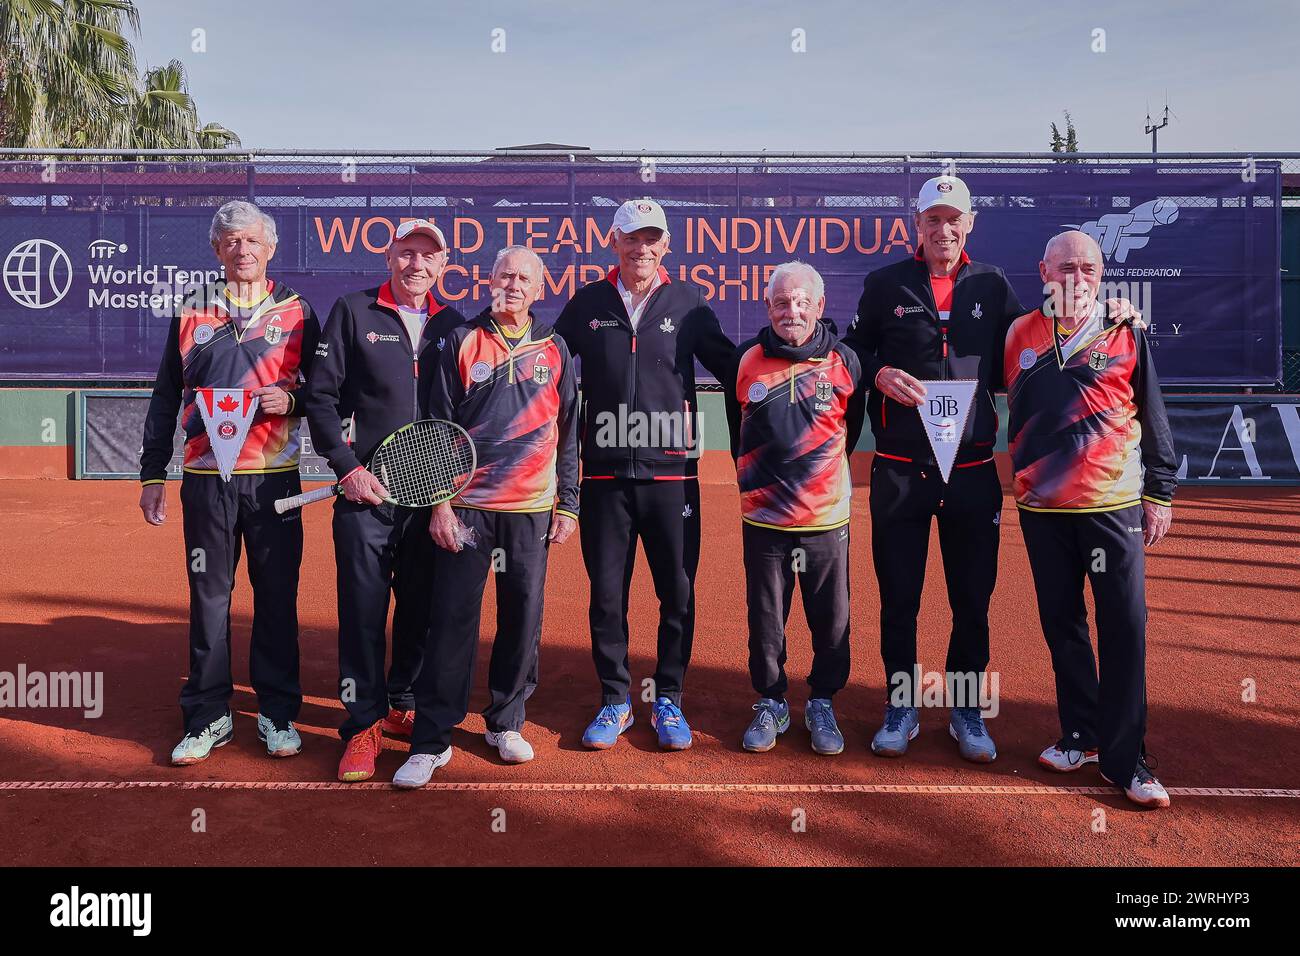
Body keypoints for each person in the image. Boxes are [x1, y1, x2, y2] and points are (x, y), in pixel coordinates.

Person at [843, 174, 1143, 763]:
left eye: (954, 220)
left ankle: (964, 708)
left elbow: (1050, 329)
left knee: (971, 597)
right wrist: (876, 369)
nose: (943, 230)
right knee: (899, 595)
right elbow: (854, 349)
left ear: (969, 225)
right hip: (902, 468)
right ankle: (901, 705)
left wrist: (1110, 310)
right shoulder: (884, 285)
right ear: (917, 225)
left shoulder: (992, 284)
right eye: (932, 219)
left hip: (974, 470)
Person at [139, 200, 319, 766]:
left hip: (274, 483)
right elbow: (168, 393)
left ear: (270, 250)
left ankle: (277, 711)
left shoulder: (297, 311)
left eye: (252, 242)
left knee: (276, 600)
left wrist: (291, 399)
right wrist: (151, 473)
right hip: (204, 480)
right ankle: (208, 713)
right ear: (217, 250)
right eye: (231, 242)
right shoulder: (192, 309)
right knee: (209, 598)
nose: (242, 251)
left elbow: (326, 389)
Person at [393, 246, 579, 788]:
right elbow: (433, 431)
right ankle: (432, 740)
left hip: (530, 512)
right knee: (451, 624)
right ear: (488, 282)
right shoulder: (458, 340)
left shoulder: (556, 348)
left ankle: (506, 721)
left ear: (540, 289)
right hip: (467, 512)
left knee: (523, 619)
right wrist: (440, 505)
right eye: (505, 276)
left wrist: (568, 501)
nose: (514, 285)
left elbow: (569, 430)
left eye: (525, 278)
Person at [554, 198, 733, 751]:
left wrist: (802, 357)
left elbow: (735, 366)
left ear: (666, 247)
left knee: (676, 593)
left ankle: (669, 699)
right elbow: (550, 366)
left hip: (672, 476)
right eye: (632, 238)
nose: (642, 248)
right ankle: (615, 700)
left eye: (652, 239)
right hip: (605, 476)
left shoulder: (690, 303)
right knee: (607, 596)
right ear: (614, 242)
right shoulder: (587, 304)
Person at [1005, 230, 1175, 809]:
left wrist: (1160, 490)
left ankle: (1129, 759)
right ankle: (1081, 733)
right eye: (1066, 267)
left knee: (1125, 628)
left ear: (1102, 274)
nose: (1077, 277)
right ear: (1043, 271)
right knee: (1063, 624)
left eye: (1088, 267)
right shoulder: (1018, 333)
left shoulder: (1126, 331)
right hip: (1042, 510)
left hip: (1113, 508)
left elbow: (1152, 412)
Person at [304, 218, 466, 783]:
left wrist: (445, 491)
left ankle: (401, 701)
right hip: (365, 497)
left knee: (420, 610)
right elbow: (318, 398)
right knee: (363, 613)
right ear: (389, 258)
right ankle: (363, 724)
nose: (416, 264)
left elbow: (460, 416)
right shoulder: (352, 311)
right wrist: (346, 469)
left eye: (428, 256)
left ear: (443, 266)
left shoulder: (455, 325)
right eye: (406, 253)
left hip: (431, 499)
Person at [723, 262, 864, 755]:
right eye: (781, 302)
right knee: (766, 619)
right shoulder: (747, 360)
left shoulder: (845, 361)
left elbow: (851, 428)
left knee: (832, 619)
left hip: (826, 521)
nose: (792, 311)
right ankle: (771, 700)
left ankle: (823, 700)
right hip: (764, 521)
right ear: (768, 307)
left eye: (802, 301)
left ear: (820, 307)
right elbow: (738, 428)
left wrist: (817, 483)